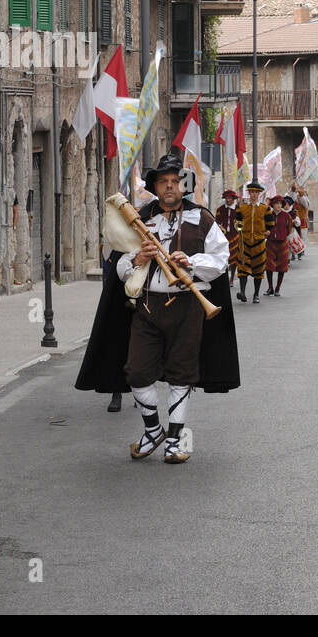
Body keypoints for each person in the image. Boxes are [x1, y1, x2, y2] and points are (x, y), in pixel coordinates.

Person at [75, 154, 240, 464]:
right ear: (154, 185)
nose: (169, 187)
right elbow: (120, 266)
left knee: (181, 374)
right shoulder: (138, 219)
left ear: (183, 185)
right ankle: (153, 430)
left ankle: (175, 440)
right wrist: (138, 259)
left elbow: (220, 260)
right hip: (148, 306)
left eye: (175, 181)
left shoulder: (202, 218)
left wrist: (190, 262)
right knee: (136, 372)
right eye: (163, 181)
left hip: (188, 306)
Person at [233, 181, 269, 303]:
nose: (253, 194)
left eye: (255, 192)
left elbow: (270, 224)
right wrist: (238, 227)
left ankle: (256, 294)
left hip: (259, 243)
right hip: (244, 242)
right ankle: (242, 292)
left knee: (258, 269)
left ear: (259, 194)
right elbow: (237, 222)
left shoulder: (265, 208)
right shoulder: (242, 207)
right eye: (251, 192)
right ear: (249, 193)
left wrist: (268, 231)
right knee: (243, 267)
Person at [264, 195, 297, 297]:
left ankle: (278, 288)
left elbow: (289, 229)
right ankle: (270, 288)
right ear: (272, 205)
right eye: (276, 203)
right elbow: (265, 227)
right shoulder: (268, 215)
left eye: (280, 204)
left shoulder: (287, 216)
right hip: (270, 242)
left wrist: (282, 235)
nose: (278, 205)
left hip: (282, 243)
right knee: (269, 266)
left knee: (282, 267)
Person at [214, 189, 240, 285]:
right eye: (227, 198)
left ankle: (232, 278)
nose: (228, 200)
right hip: (222, 237)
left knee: (234, 259)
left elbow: (242, 222)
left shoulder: (238, 209)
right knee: (223, 258)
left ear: (233, 199)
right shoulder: (220, 210)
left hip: (235, 236)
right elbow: (216, 222)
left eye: (230, 198)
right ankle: (223, 278)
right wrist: (219, 227)